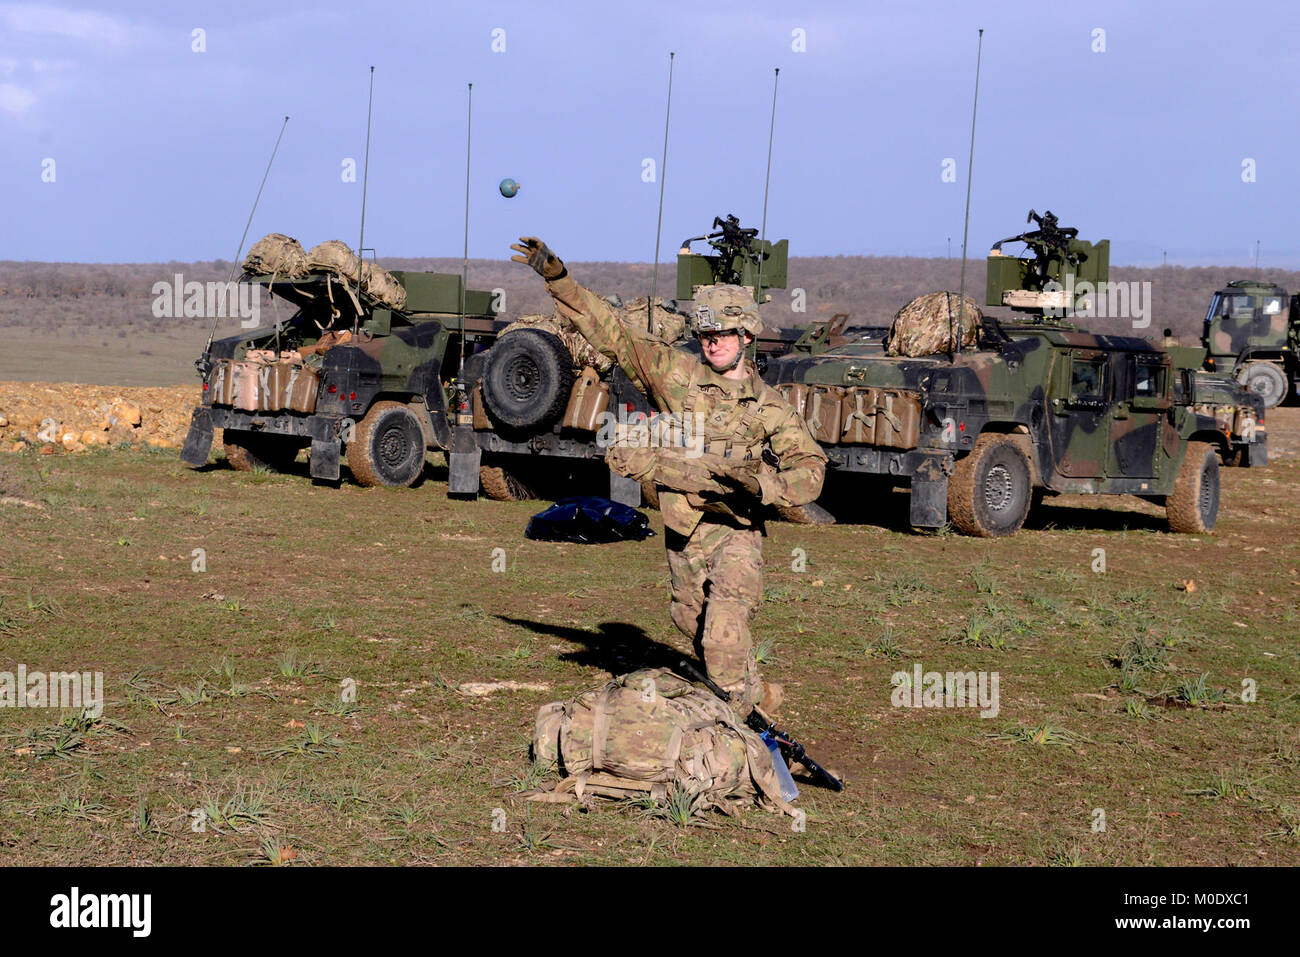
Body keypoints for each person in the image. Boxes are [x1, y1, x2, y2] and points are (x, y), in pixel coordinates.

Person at [511, 237, 827, 711]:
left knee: (723, 631)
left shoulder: (769, 407)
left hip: (735, 531)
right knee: (691, 620)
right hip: (683, 530)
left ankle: (739, 734)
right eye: (705, 335)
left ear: (747, 336)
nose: (712, 343)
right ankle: (753, 690)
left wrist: (769, 486)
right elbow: (611, 332)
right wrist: (559, 280)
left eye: (722, 334)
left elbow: (812, 469)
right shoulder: (674, 374)